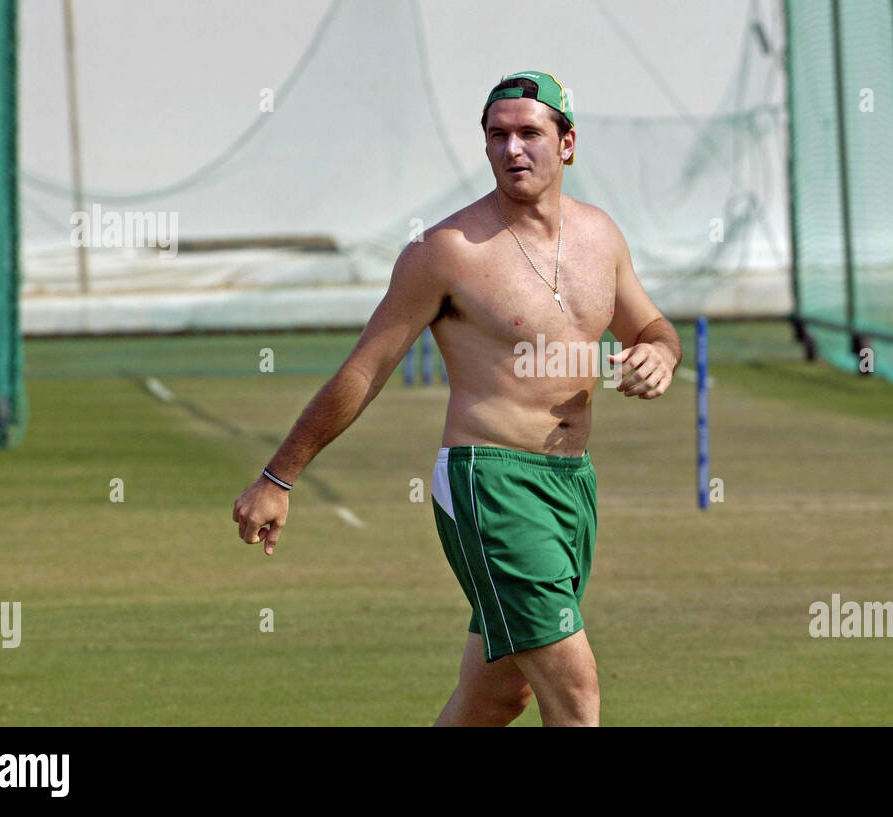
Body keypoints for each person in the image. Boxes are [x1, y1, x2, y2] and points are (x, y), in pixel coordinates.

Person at [232, 71, 681, 726]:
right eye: (497, 135)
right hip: (491, 484)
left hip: (571, 484)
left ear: (569, 142)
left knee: (497, 695)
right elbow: (364, 370)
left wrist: (660, 355)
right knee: (576, 694)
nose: (512, 149)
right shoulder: (446, 252)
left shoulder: (601, 238)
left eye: (530, 132)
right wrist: (279, 476)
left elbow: (652, 326)